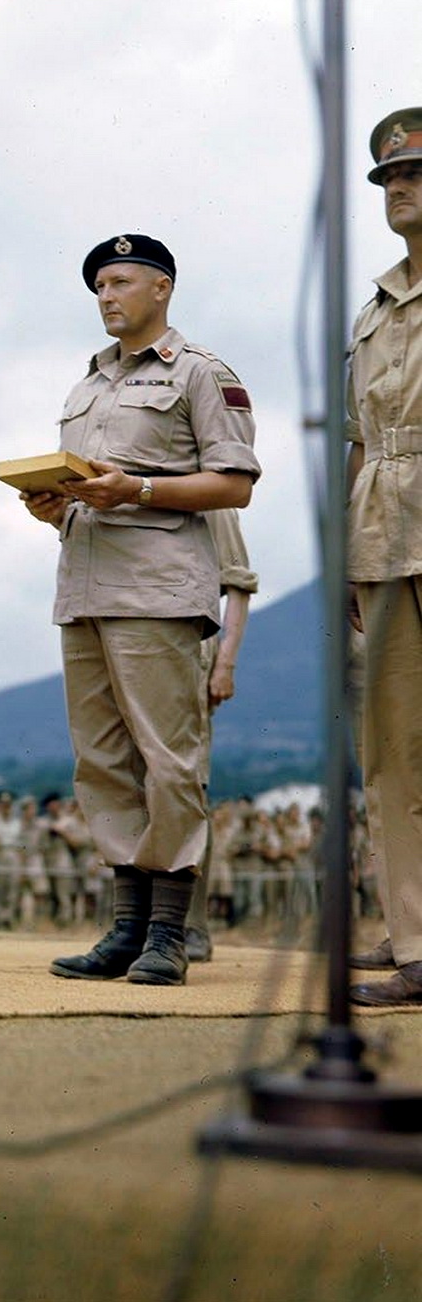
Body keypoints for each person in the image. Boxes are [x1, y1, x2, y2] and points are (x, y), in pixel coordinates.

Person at [23, 233, 259, 986]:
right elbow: (88, 493)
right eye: (97, 285)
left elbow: (233, 484)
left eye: (119, 281)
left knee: (167, 758)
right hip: (85, 586)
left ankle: (167, 929)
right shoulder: (86, 385)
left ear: (161, 288)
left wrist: (140, 489)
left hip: (158, 589)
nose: (105, 295)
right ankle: (124, 926)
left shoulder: (199, 374)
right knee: (101, 763)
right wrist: (50, 506)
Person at [347, 108, 422, 1007]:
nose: (399, 190)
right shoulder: (370, 312)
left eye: (414, 176)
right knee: (396, 751)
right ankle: (414, 936)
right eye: (390, 181)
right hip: (385, 533)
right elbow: (360, 446)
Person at [184, 508, 258, 962]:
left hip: (192, 639)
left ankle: (190, 923)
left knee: (187, 787)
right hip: (128, 634)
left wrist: (225, 662)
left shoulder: (212, 498)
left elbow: (238, 585)